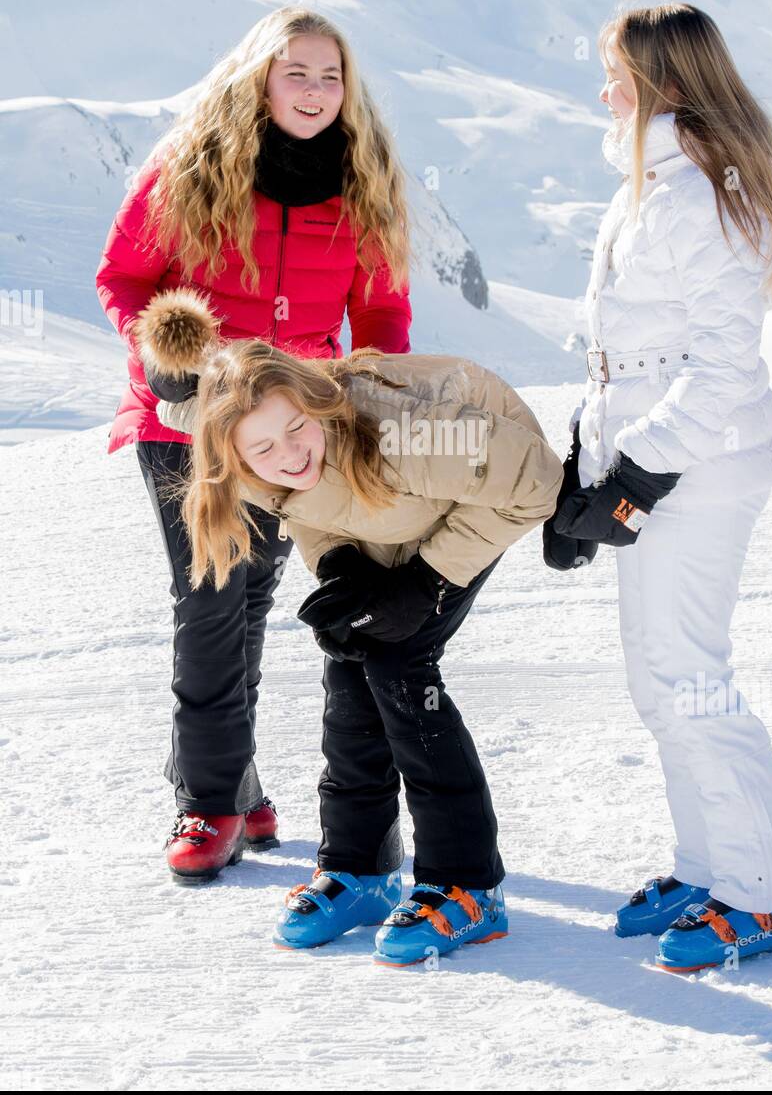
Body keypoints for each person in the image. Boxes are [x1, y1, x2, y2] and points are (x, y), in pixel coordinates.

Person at [136, 284, 563, 965]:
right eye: (263, 448)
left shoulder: (405, 434)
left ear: (317, 402)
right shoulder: (243, 450)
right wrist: (339, 568)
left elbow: (537, 481)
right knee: (350, 658)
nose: (288, 453)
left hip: (475, 495)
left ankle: (467, 885)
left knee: (399, 663)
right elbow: (288, 493)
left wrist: (424, 585)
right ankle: (360, 870)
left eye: (298, 428)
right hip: (384, 513)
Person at [95, 7, 412, 882]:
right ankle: (208, 801)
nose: (314, 92)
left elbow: (380, 312)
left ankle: (230, 776)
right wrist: (163, 358)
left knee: (251, 598)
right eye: (296, 73)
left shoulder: (363, 183)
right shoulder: (189, 169)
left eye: (329, 76)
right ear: (259, 80)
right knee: (209, 595)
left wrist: (370, 395)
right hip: (190, 422)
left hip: (291, 429)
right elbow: (124, 279)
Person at [545, 2, 772, 972]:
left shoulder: (698, 190)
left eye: (611, 71)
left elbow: (718, 367)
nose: (600, 88)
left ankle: (766, 894)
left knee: (689, 679)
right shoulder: (650, 181)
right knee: (656, 682)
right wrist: (583, 480)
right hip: (664, 463)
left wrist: (635, 475)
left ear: (659, 81)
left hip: (702, 467)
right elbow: (619, 360)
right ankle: (711, 868)